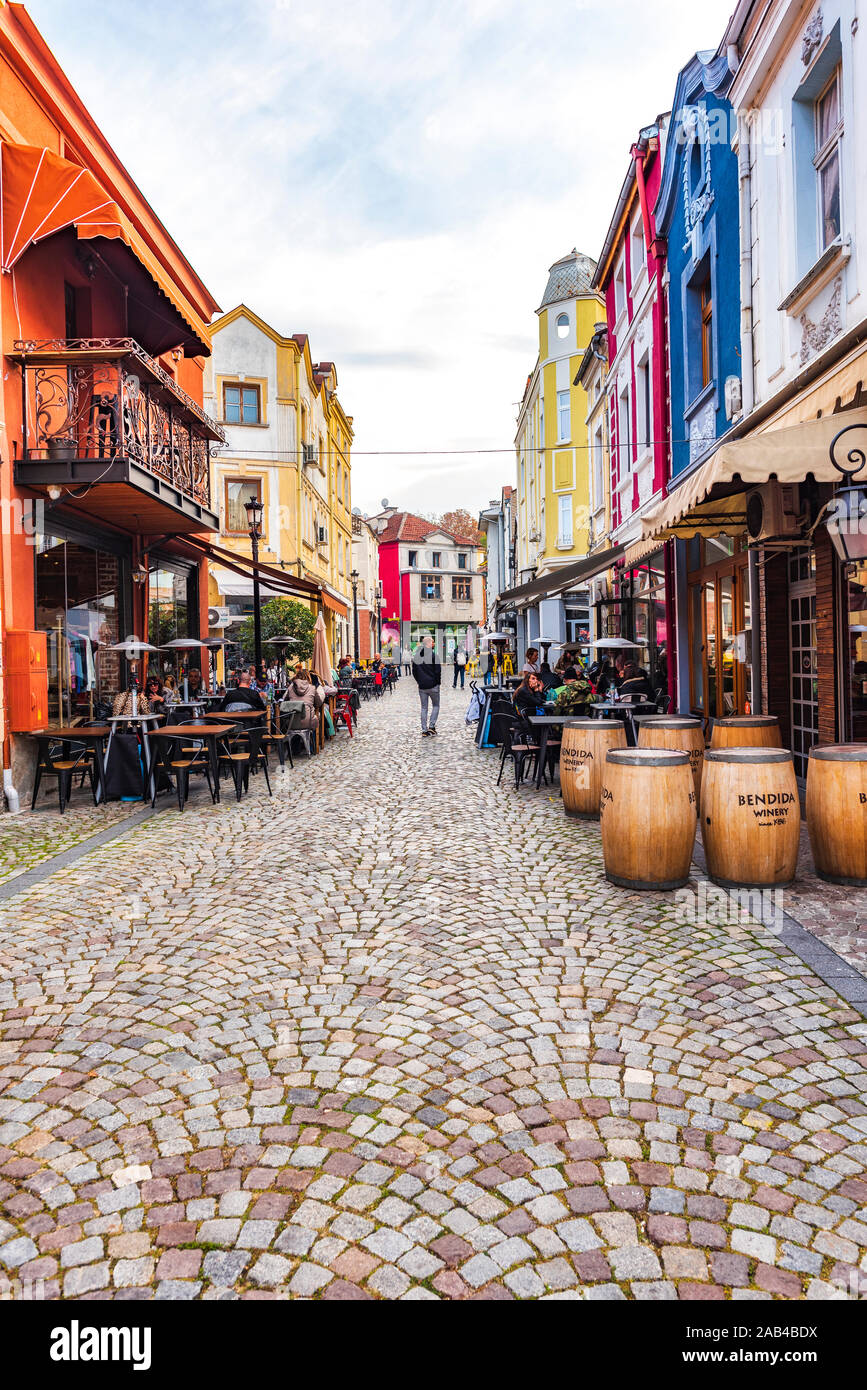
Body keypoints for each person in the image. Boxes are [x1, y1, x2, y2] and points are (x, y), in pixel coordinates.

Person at [412, 635, 441, 736]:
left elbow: (414, 672)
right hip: (433, 686)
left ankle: (424, 730)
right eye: (432, 642)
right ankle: (432, 726)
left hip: (422, 686)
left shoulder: (417, 656)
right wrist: (437, 683)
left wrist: (419, 681)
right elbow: (438, 671)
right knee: (436, 705)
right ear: (428, 644)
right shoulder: (434, 656)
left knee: (424, 708)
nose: (433, 644)